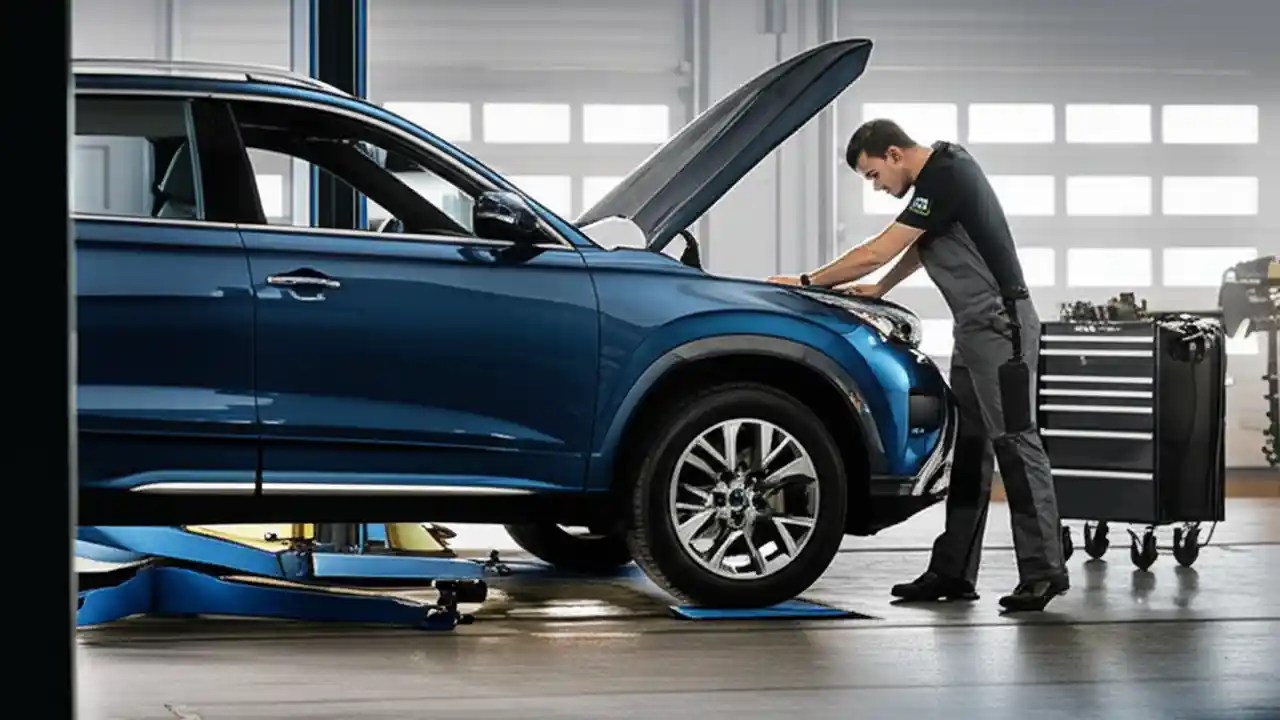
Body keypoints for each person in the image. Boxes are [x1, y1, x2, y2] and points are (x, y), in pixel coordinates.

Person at [767, 118, 1069, 612]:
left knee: (1016, 443)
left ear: (893, 154)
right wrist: (882, 288)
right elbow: (921, 242)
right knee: (968, 452)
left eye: (873, 175)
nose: (877, 187)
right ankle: (953, 571)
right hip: (973, 330)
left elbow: (878, 250)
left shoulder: (949, 173)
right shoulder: (937, 179)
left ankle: (1044, 571)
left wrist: (806, 281)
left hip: (1002, 327)